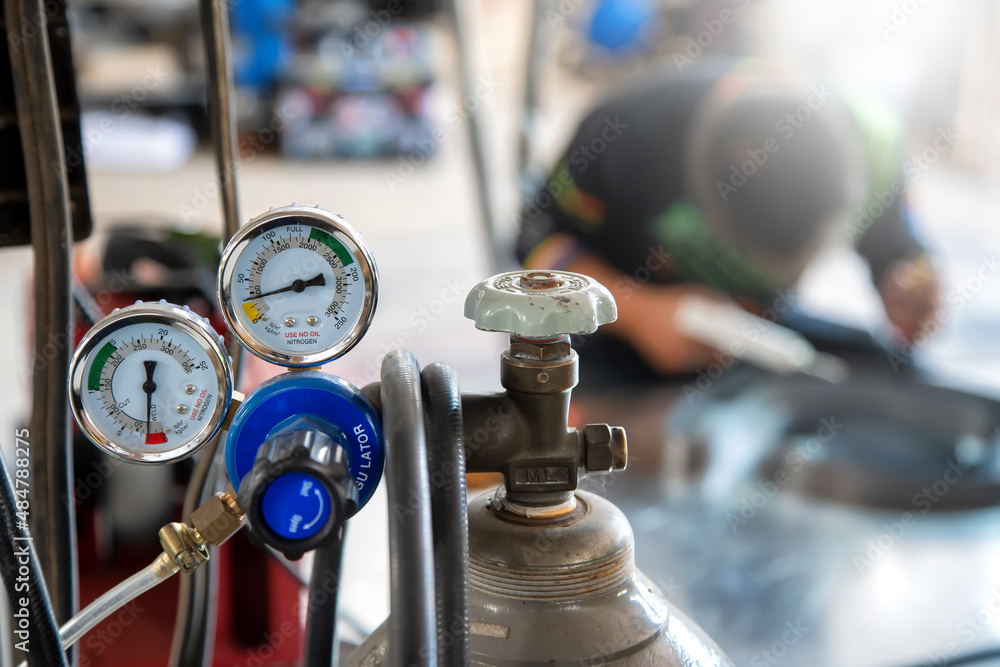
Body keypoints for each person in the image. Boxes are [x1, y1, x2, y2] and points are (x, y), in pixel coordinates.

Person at [517, 60, 941, 383]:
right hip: (626, 333)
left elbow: (896, 248)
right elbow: (534, 242)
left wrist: (908, 282)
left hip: (754, 337)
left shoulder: (873, 144)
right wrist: (641, 314)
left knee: (887, 372)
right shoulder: (629, 130)